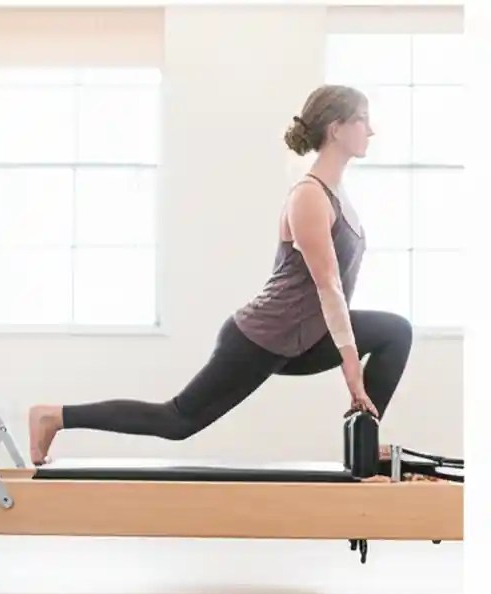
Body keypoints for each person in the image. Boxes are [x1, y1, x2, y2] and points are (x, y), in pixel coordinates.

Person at [28, 84, 414, 466]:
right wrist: (351, 367)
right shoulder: (309, 196)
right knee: (178, 420)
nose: (371, 130)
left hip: (306, 338)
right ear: (336, 128)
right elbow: (328, 285)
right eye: (363, 120)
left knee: (395, 332)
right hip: (261, 336)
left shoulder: (338, 192)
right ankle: (55, 416)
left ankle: (365, 445)